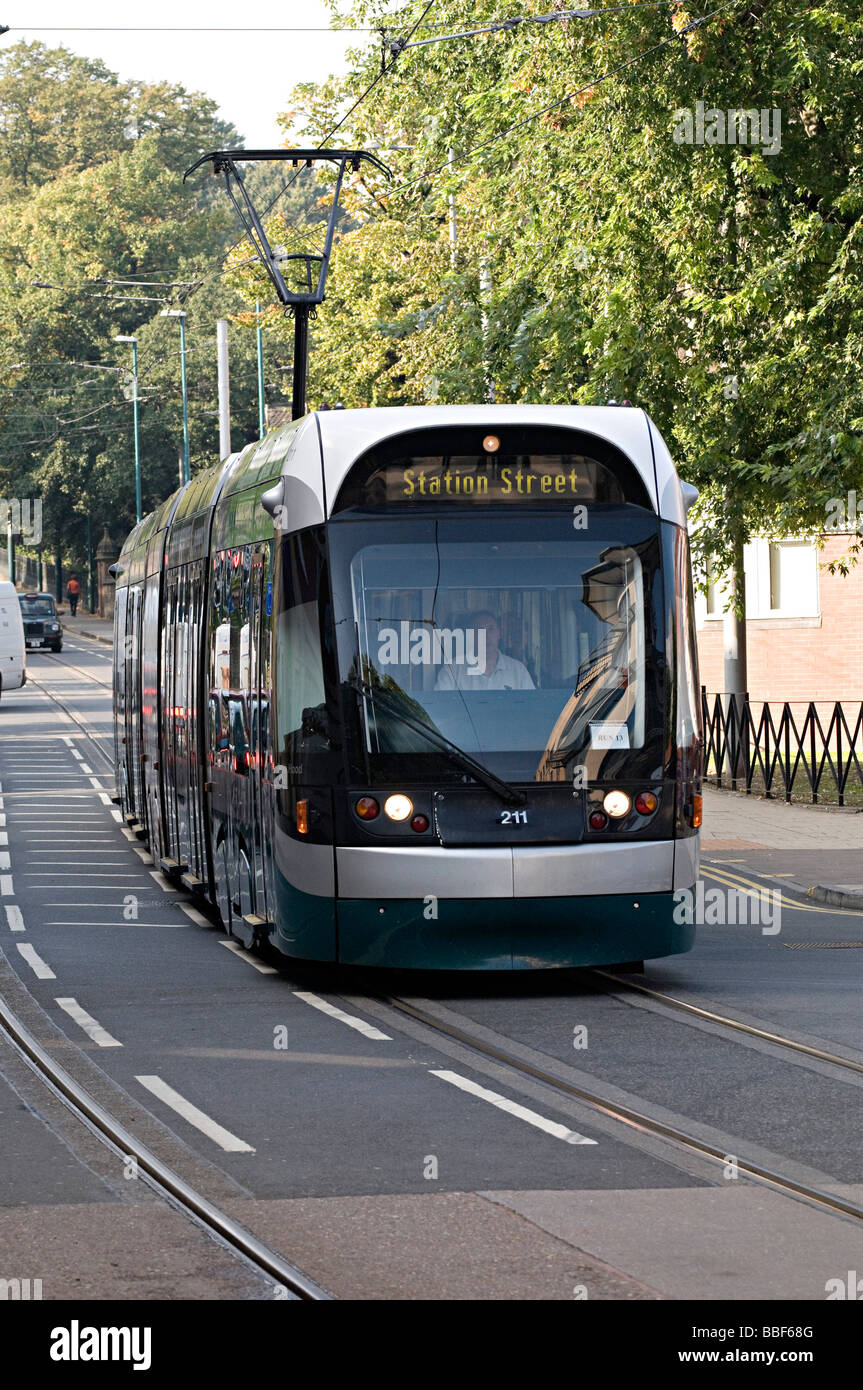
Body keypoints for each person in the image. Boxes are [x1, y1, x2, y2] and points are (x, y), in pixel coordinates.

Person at [435, 610, 535, 691]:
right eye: (480, 630)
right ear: (471, 635)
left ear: (499, 633)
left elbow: (531, 709)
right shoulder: (453, 670)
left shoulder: (518, 670)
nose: (486, 636)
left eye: (491, 629)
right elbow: (440, 708)